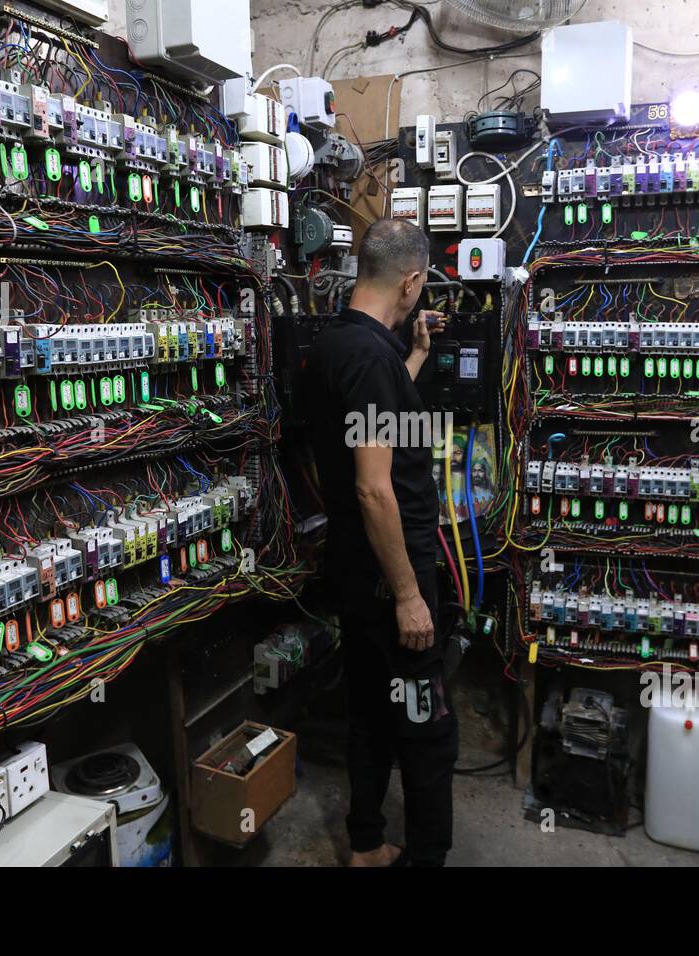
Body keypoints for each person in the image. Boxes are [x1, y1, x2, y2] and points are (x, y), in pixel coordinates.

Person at [304, 218, 458, 867]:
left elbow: (359, 439)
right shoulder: (370, 360)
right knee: (425, 730)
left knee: (369, 708)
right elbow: (374, 488)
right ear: (412, 281)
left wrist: (414, 358)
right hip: (389, 580)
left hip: (352, 570)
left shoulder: (336, 345)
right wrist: (408, 595)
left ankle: (365, 844)